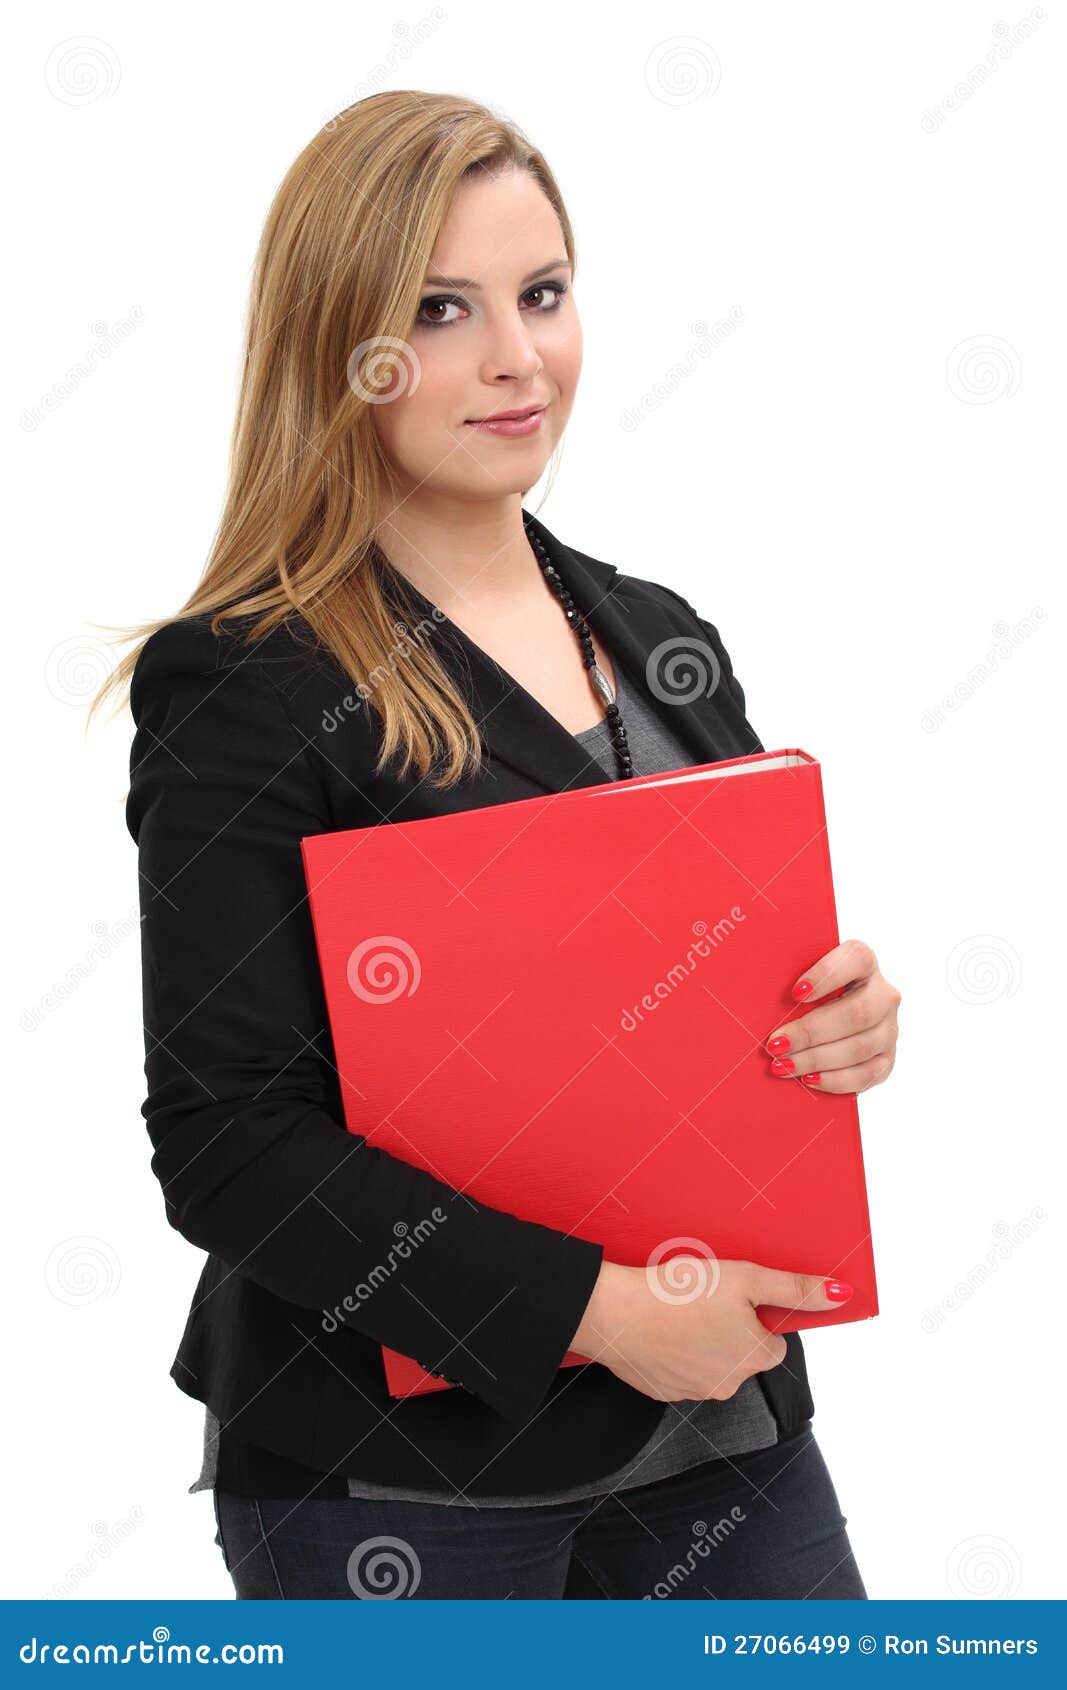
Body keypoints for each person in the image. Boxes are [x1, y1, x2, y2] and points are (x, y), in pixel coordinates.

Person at [94, 90, 901, 1600]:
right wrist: (594, 1309)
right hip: (396, 1481)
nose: (517, 356)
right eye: (441, 309)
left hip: (726, 1418)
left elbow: (714, 997)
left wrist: (835, 1022)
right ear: (345, 347)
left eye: (541, 294)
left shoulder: (664, 641)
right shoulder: (250, 681)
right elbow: (227, 1138)